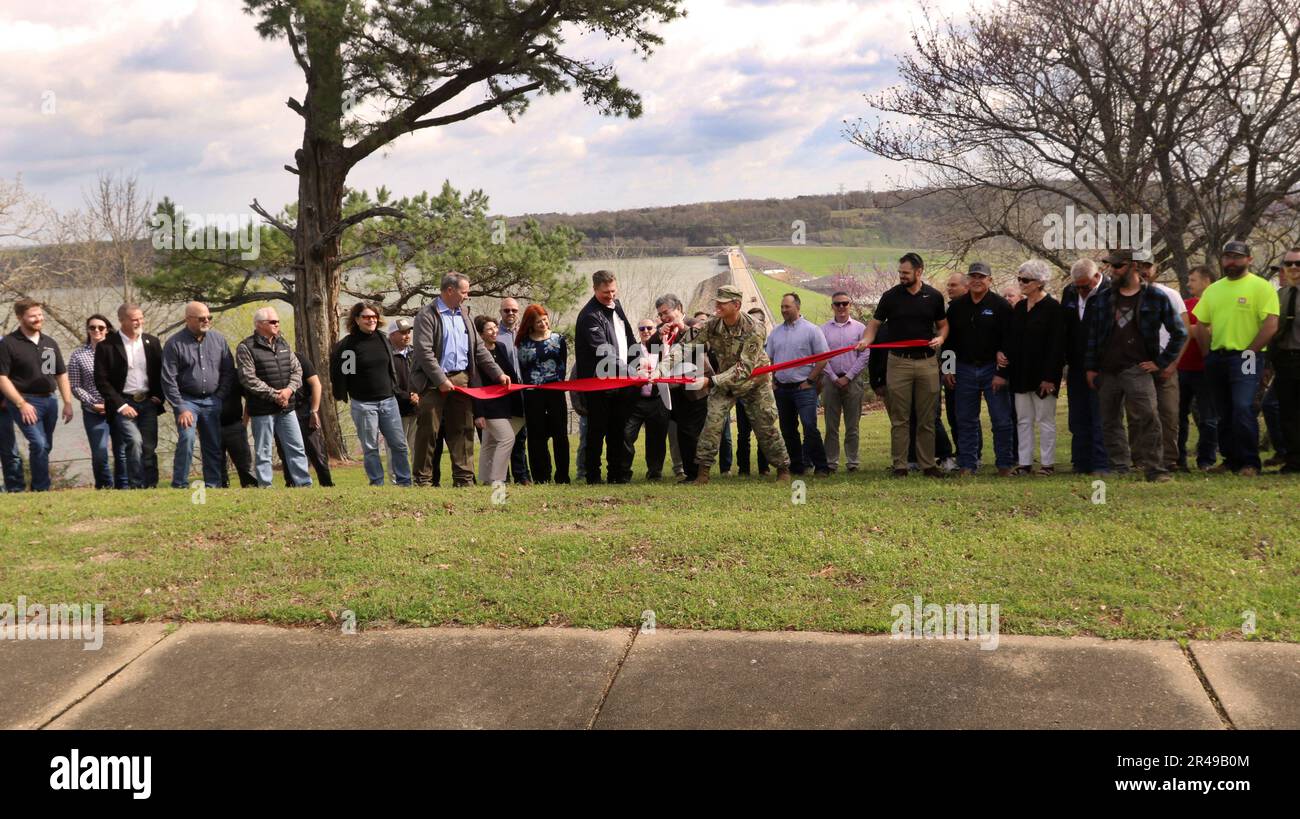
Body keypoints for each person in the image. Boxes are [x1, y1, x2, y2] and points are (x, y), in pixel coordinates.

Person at [657, 285, 790, 484]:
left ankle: (783, 468)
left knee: (765, 427)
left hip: (754, 383)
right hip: (725, 383)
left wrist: (710, 381)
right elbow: (684, 347)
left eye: (722, 303)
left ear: (736, 305)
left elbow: (744, 368)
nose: (717, 306)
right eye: (716, 302)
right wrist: (661, 369)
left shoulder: (755, 328)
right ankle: (703, 473)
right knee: (712, 424)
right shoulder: (711, 324)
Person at [1084, 250, 1186, 482]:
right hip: (1107, 369)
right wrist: (1091, 367)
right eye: (1111, 267)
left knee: (1148, 417)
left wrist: (1160, 362)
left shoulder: (1156, 297)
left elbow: (1179, 333)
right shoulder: (1103, 298)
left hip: (1137, 368)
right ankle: (1119, 466)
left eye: (1118, 266)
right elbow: (1093, 336)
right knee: (1109, 420)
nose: (1113, 271)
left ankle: (1155, 469)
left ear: (1134, 267)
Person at [410, 273, 507, 487]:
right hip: (433, 382)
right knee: (429, 431)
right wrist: (440, 379)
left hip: (462, 380)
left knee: (463, 429)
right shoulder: (426, 315)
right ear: (449, 290)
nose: (467, 295)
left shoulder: (464, 313)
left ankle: (464, 479)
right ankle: (422, 480)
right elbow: (424, 352)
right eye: (464, 292)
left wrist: (498, 373)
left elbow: (478, 349)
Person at [1192, 241, 1280, 476]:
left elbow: (1271, 325)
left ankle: (1250, 462)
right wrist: (1206, 353)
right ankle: (1230, 460)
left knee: (1243, 407)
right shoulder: (1213, 290)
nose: (1231, 262)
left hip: (1248, 356)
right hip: (1218, 357)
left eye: (1237, 257)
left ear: (1249, 260)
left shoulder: (1261, 287)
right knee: (1224, 411)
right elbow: (1200, 324)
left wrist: (1250, 352)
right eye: (1227, 257)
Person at [857, 253, 949, 477]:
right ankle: (900, 465)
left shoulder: (934, 297)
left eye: (906, 273)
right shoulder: (890, 297)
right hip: (898, 362)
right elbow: (874, 324)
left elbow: (943, 325)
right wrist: (866, 340)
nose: (902, 277)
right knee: (900, 417)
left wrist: (941, 338)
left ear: (919, 272)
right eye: (900, 273)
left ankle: (928, 464)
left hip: (927, 363)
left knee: (927, 417)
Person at [945, 262, 1015, 476]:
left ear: (990, 280)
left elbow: (1010, 342)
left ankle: (1004, 464)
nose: (977, 280)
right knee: (965, 420)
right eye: (973, 276)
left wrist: (1002, 373)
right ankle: (968, 464)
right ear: (968, 280)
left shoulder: (1001, 306)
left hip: (992, 369)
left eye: (981, 277)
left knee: (1001, 419)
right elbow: (949, 340)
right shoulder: (957, 307)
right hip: (964, 369)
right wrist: (948, 367)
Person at [330, 301, 411, 487]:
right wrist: (347, 395)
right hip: (364, 405)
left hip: (389, 402)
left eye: (374, 317)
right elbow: (344, 375)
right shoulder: (349, 345)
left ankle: (405, 482)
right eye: (366, 317)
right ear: (356, 319)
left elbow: (391, 369)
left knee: (398, 444)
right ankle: (377, 483)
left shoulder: (383, 339)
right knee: (370, 448)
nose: (371, 320)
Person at [0, 299, 74, 491]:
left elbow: (59, 373)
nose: (38, 319)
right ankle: (42, 488)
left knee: (45, 445)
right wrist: (20, 403)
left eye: (40, 315)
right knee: (38, 443)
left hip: (50, 401)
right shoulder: (9, 343)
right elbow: (2, 378)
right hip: (25, 401)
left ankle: (36, 487)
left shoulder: (49, 343)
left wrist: (67, 402)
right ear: (20, 317)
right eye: (33, 316)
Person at [236, 307, 312, 488]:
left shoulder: (283, 343)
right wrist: (274, 395)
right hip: (262, 410)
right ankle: (265, 486)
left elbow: (297, 370)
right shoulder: (246, 347)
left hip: (287, 407)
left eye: (277, 321)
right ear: (260, 324)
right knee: (263, 451)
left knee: (297, 448)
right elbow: (248, 378)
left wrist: (288, 391)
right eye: (272, 322)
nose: (277, 324)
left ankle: (304, 484)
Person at [162, 301, 235, 489]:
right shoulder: (174, 343)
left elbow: (228, 372)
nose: (206, 321)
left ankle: (213, 484)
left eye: (209, 317)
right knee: (187, 439)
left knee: (213, 444)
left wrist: (219, 397)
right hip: (187, 401)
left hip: (212, 400)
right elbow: (168, 379)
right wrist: (180, 406)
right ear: (188, 319)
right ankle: (180, 484)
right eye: (201, 318)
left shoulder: (219, 340)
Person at [575, 270, 637, 484]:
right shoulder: (590, 316)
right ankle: (592, 476)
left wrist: (641, 362)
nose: (610, 296)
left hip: (621, 383)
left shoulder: (617, 306)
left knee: (618, 431)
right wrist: (633, 373)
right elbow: (605, 353)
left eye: (612, 291)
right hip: (599, 384)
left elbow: (630, 340)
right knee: (596, 432)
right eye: (605, 293)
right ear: (594, 289)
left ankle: (616, 475)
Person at [95, 303, 164, 489]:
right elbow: (101, 381)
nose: (139, 322)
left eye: (141, 318)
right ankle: (136, 485)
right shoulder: (107, 346)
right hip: (124, 403)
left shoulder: (152, 342)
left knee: (149, 446)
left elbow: (160, 372)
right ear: (122, 320)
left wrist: (159, 396)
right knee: (134, 442)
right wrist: (121, 406)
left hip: (148, 402)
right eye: (134, 319)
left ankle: (151, 486)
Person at [1006, 260, 1065, 475]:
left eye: (1026, 280)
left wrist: (1049, 377)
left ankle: (1047, 464)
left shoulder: (1053, 308)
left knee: (1045, 419)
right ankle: (1024, 463)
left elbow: (1057, 346)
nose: (1021, 283)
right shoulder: (1020, 307)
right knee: (1023, 419)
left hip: (1043, 375)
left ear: (1040, 282)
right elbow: (1013, 339)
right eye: (1019, 279)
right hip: (1021, 373)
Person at [1134, 249, 1189, 472]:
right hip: (1137, 366)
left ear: (1155, 269)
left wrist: (1172, 363)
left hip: (1165, 363)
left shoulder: (1170, 295)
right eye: (1138, 266)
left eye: (1147, 266)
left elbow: (1185, 331)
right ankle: (1140, 459)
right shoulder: (1126, 295)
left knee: (1168, 413)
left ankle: (1168, 459)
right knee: (1139, 415)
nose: (1143, 271)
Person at [767, 293, 830, 475]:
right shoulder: (775, 332)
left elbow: (823, 358)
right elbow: (769, 359)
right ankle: (796, 466)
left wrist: (810, 380)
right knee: (788, 430)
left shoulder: (812, 330)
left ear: (797, 307)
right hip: (782, 389)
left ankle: (821, 466)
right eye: (782, 307)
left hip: (804, 388)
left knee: (809, 426)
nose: (783, 310)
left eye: (787, 307)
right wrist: (773, 381)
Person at [652, 294, 713, 482]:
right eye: (660, 314)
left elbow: (707, 345)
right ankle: (689, 472)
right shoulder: (664, 328)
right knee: (681, 433)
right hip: (673, 389)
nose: (663, 317)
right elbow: (650, 347)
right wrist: (658, 333)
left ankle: (697, 473)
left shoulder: (695, 323)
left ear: (678, 308)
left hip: (696, 387)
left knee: (691, 432)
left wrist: (682, 328)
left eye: (666, 313)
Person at [1061, 258, 1110, 474]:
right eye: (1077, 286)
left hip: (1101, 366)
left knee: (1099, 415)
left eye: (1085, 286)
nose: (1080, 290)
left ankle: (1101, 463)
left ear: (1097, 276)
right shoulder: (1069, 293)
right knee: (1078, 416)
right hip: (1075, 365)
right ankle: (1080, 462)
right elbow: (1065, 328)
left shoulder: (1109, 293)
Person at [68, 314, 126, 488]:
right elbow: (75, 385)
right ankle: (104, 486)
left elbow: (126, 381)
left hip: (118, 408)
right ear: (87, 330)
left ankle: (124, 487)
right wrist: (91, 403)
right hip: (94, 411)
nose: (96, 331)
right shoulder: (78, 355)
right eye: (92, 327)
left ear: (107, 330)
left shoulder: (117, 351)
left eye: (100, 328)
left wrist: (117, 402)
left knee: (122, 451)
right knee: (100, 453)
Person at [516, 304, 569, 483]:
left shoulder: (558, 339)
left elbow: (563, 364)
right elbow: (522, 368)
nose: (544, 324)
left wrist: (557, 383)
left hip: (555, 392)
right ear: (530, 323)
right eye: (539, 322)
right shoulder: (523, 342)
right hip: (532, 394)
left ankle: (562, 476)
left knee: (560, 434)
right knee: (537, 436)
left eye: (545, 320)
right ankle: (541, 476)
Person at [470, 315, 525, 485]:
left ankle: (486, 480)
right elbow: (475, 384)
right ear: (480, 334)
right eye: (489, 329)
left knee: (489, 443)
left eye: (495, 327)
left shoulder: (500, 347)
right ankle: (498, 479)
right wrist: (478, 413)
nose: (494, 331)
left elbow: (511, 375)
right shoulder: (476, 355)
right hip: (488, 406)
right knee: (507, 438)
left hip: (504, 404)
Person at [1176, 265, 1219, 471]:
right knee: (1178, 416)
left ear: (1206, 280)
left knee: (1208, 418)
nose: (1188, 284)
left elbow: (1212, 330)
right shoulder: (1186, 305)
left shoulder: (1218, 304)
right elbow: (1181, 331)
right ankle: (1178, 459)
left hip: (1206, 369)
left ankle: (1206, 460)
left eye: (1193, 280)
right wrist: (1197, 330)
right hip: (1182, 368)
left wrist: (1194, 330)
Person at [276, 351, 334, 487]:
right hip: (281, 411)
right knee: (285, 450)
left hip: (303, 409)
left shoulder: (299, 358)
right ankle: (291, 483)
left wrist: (314, 410)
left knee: (316, 450)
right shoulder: (265, 360)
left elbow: (316, 384)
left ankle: (326, 483)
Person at [625, 319, 671, 480]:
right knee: (627, 435)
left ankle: (655, 472)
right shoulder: (632, 349)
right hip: (635, 400)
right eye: (642, 328)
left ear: (655, 330)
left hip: (658, 400)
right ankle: (624, 471)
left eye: (649, 328)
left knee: (657, 438)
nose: (645, 331)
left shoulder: (664, 349)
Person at [1269, 246, 1300, 473]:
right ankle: (1293, 460)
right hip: (1285, 360)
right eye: (1288, 264)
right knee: (1287, 412)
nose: (1293, 268)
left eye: (1298, 264)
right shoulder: (1279, 296)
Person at [496, 297, 531, 484]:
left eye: (514, 310)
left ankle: (522, 475)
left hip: (523, 393)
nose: (510, 313)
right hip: (503, 394)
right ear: (500, 312)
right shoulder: (495, 335)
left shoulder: (526, 334)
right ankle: (504, 477)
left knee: (520, 437)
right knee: (504, 437)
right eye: (506, 310)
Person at [735, 309, 772, 476]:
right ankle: (743, 469)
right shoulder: (740, 346)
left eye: (757, 322)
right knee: (743, 434)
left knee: (763, 431)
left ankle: (764, 468)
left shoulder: (770, 344)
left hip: (762, 395)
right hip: (742, 394)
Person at [218, 379, 258, 489]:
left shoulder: (235, 375)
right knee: (216, 466)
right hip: (212, 429)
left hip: (235, 426)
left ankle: (251, 488)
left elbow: (249, 398)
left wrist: (244, 422)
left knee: (245, 465)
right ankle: (220, 491)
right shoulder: (205, 376)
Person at [389, 318, 420, 452]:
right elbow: (388, 383)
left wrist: (418, 395)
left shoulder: (415, 353)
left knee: (417, 448)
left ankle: (418, 474)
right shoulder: (386, 355)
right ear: (392, 335)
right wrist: (407, 396)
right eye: (402, 333)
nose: (407, 336)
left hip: (416, 408)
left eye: (408, 332)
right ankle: (395, 474)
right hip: (395, 410)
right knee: (396, 449)